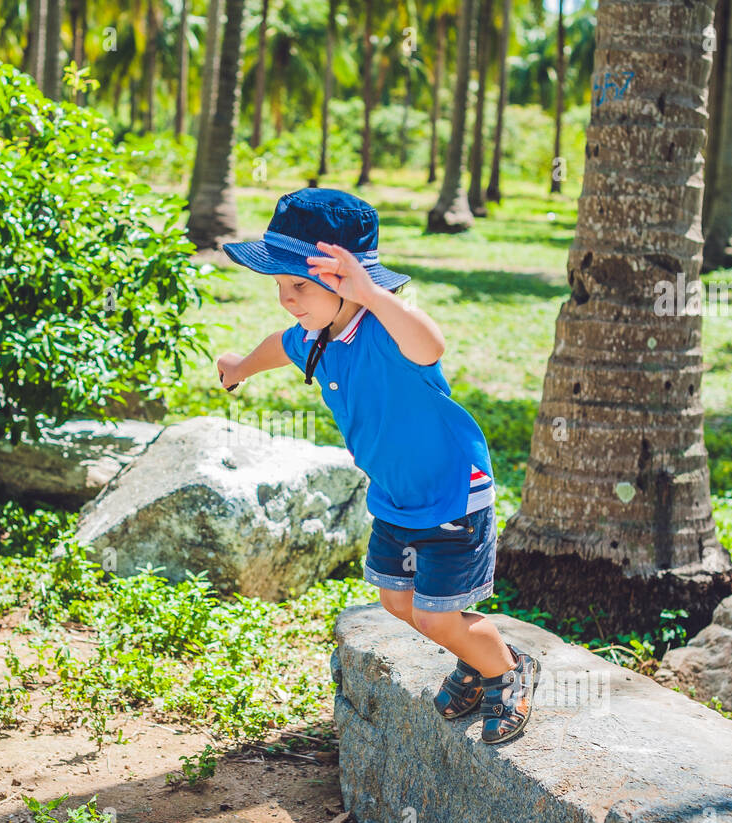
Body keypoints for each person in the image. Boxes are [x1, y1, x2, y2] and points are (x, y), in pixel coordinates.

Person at [216, 187, 540, 744]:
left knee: (438, 614)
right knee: (398, 600)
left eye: (300, 285)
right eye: (280, 286)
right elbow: (281, 344)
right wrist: (239, 368)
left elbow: (430, 345)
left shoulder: (388, 333)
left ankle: (506, 670)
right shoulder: (317, 340)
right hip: (395, 498)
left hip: (451, 496)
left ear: (348, 284)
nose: (287, 298)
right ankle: (473, 655)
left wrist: (372, 293)